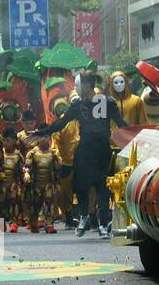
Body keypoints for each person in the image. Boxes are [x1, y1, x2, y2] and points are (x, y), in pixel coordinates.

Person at [37, 72, 128, 238]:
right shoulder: (108, 102)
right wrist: (138, 134)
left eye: (78, 85)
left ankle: (98, 222)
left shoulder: (79, 104)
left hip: (89, 150)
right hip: (99, 150)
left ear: (86, 86)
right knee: (96, 187)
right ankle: (91, 220)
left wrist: (41, 133)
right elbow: (122, 124)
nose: (76, 89)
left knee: (92, 187)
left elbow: (60, 124)